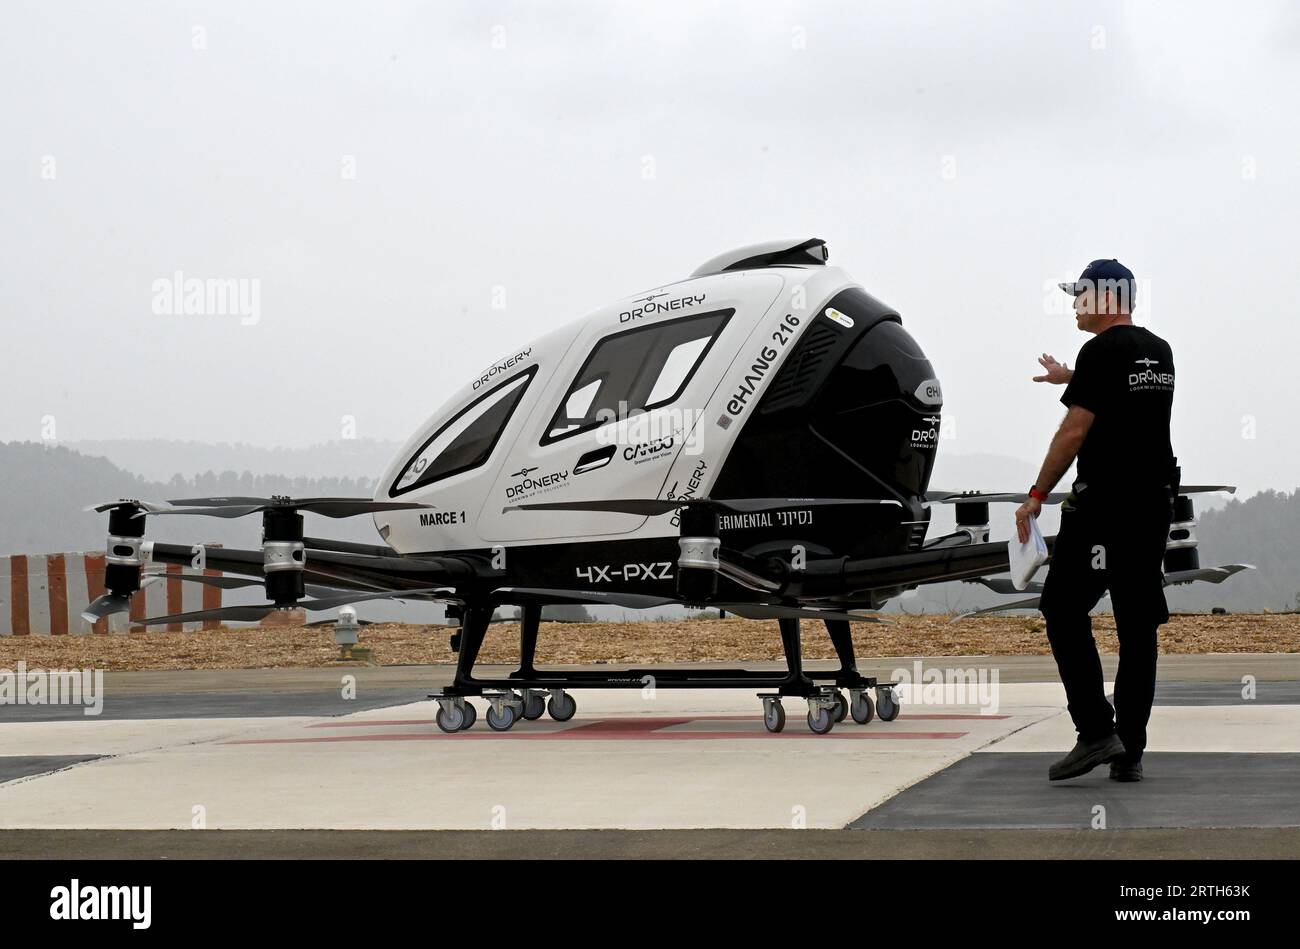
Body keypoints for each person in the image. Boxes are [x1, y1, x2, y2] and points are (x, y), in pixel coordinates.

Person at [1015, 259, 1177, 782]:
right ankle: (1128, 749)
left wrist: (1038, 493)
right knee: (1137, 625)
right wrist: (1071, 377)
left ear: (1105, 298)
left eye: (1080, 294)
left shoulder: (1100, 350)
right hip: (1152, 503)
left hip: (1106, 505)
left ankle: (1094, 731)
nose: (1073, 304)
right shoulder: (1158, 351)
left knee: (1061, 609)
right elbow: (1122, 398)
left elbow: (1075, 431)